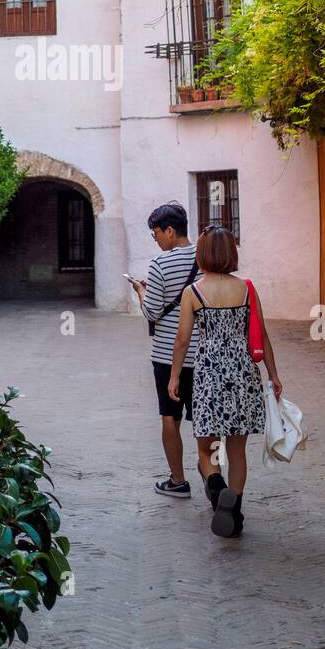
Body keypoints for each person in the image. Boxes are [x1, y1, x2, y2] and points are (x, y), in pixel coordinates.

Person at [169, 225, 283, 538]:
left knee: (206, 448)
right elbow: (261, 335)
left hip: (208, 373)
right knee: (237, 449)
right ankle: (235, 508)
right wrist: (273, 375)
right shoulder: (246, 288)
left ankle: (217, 490)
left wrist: (175, 376)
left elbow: (182, 340)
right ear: (231, 252)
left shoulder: (193, 292)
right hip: (243, 371)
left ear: (202, 254)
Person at [131, 202, 201, 498]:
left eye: (156, 233)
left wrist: (141, 292)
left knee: (169, 417)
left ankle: (178, 480)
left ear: (170, 230)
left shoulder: (160, 264)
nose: (156, 239)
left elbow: (151, 312)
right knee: (203, 418)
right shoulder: (206, 257)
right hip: (202, 352)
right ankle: (213, 476)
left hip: (166, 354)